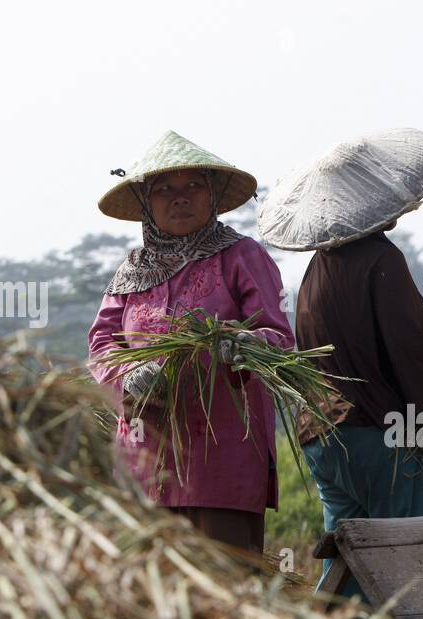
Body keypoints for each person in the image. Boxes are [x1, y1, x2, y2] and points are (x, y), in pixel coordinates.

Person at [258, 129, 423, 598]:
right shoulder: (378, 259)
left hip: (322, 437)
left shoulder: (317, 270)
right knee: (416, 551)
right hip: (374, 437)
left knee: (352, 558)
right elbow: (411, 350)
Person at [88, 130, 293, 557]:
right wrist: (129, 378)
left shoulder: (241, 256)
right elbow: (102, 344)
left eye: (192, 186)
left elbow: (279, 338)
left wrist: (239, 345)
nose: (179, 198)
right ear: (146, 202)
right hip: (146, 462)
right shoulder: (131, 270)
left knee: (227, 589)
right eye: (164, 189)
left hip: (223, 458)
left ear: (213, 195)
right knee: (154, 591)